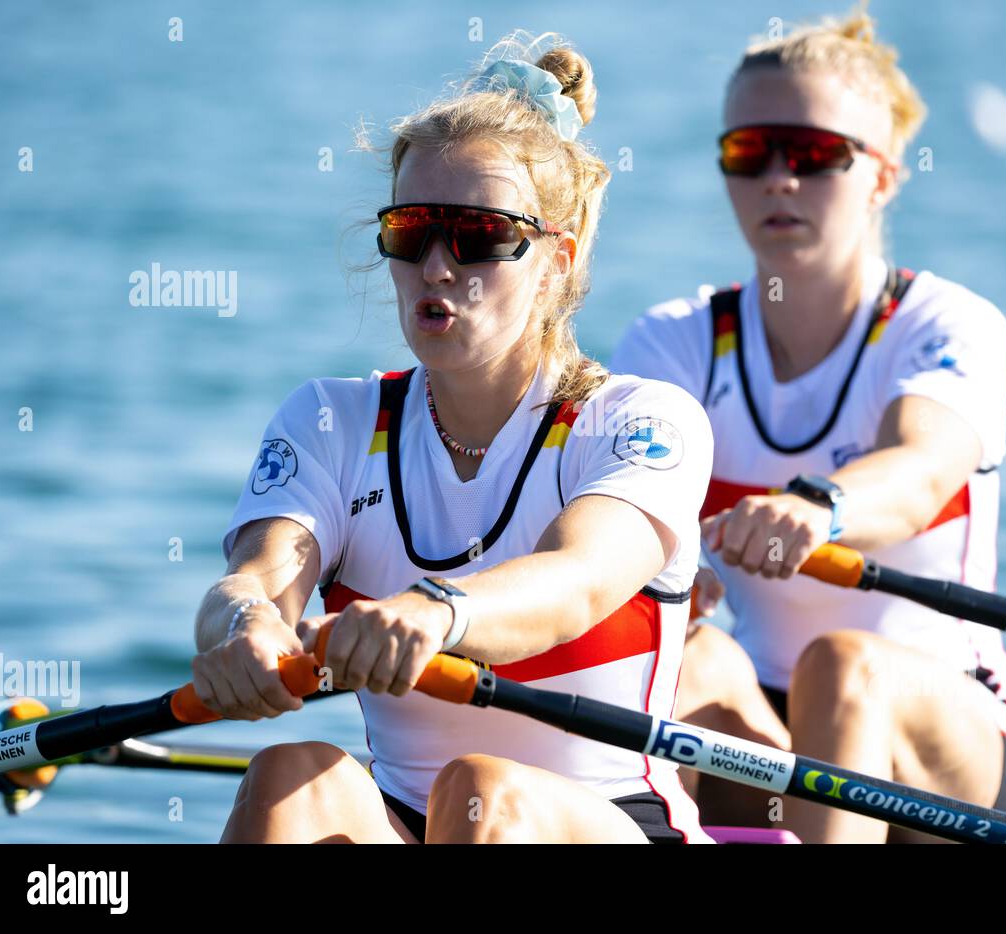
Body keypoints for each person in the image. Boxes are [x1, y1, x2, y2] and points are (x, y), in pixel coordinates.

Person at [191, 36, 714, 843]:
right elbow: (256, 578)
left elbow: (576, 581)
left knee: (482, 794)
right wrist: (242, 628)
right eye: (411, 231)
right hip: (408, 819)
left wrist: (436, 612)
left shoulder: (643, 423)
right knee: (288, 776)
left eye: (477, 234)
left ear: (554, 260)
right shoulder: (329, 421)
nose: (437, 266)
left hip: (613, 821)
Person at [611, 9, 1006, 843]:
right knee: (680, 663)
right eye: (750, 154)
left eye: (814, 155)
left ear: (881, 176)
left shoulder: (948, 325)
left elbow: (921, 473)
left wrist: (818, 507)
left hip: (958, 743)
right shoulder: (671, 340)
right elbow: (618, 515)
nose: (779, 179)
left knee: (843, 664)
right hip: (769, 721)